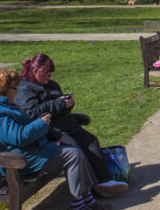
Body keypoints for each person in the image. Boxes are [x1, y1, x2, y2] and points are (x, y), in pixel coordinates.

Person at [0, 68, 108, 210]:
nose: (16, 92)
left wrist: (40, 123)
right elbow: (18, 137)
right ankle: (78, 206)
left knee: (74, 151)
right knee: (73, 155)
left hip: (26, 153)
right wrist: (41, 124)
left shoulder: (3, 106)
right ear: (3, 89)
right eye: (14, 88)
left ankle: (88, 200)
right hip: (15, 161)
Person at [14, 53, 127, 195]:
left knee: (90, 141)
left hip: (67, 124)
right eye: (47, 75)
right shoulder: (24, 89)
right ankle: (90, 189)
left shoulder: (52, 85)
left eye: (50, 75)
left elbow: (58, 104)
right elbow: (33, 112)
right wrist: (59, 103)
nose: (49, 79)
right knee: (75, 148)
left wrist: (68, 104)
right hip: (49, 131)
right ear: (36, 71)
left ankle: (104, 180)